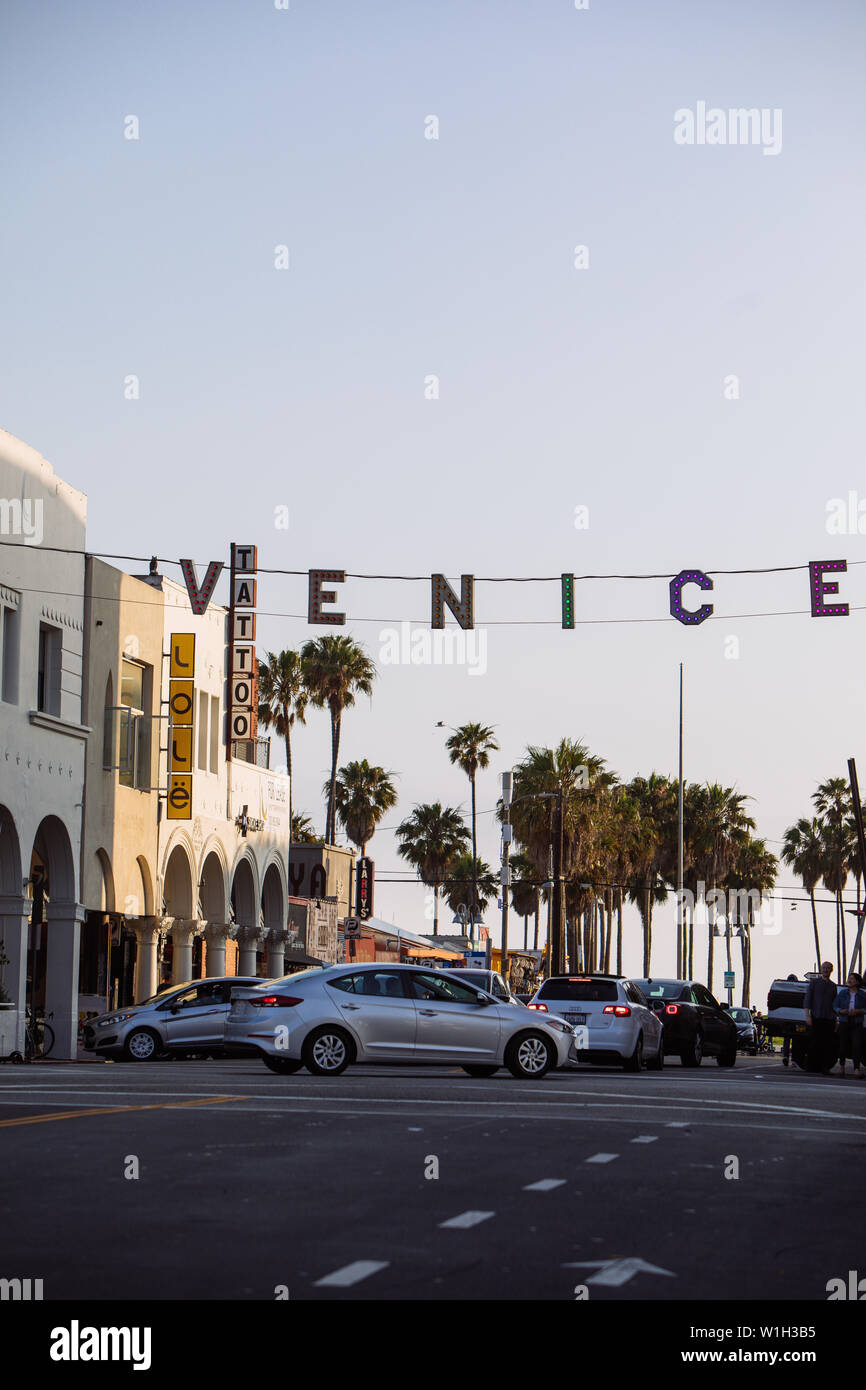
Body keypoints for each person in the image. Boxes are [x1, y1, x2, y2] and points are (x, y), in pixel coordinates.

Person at [804, 962, 838, 1074]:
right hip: (816, 1017)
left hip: (829, 1019)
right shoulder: (814, 983)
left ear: (831, 970)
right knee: (814, 1043)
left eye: (828, 968)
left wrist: (836, 1020)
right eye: (824, 968)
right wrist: (807, 1016)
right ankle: (811, 1067)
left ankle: (825, 1067)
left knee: (827, 1045)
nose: (826, 970)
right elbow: (808, 999)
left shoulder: (833, 986)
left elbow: (834, 1004)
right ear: (821, 969)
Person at [833, 972, 866, 1078]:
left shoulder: (862, 994)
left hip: (857, 1022)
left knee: (857, 1045)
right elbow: (835, 1005)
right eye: (849, 978)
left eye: (852, 979)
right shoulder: (843, 993)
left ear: (857, 981)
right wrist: (840, 1011)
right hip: (844, 1020)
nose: (850, 980)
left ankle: (856, 1070)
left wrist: (859, 1011)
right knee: (842, 1045)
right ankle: (841, 1068)